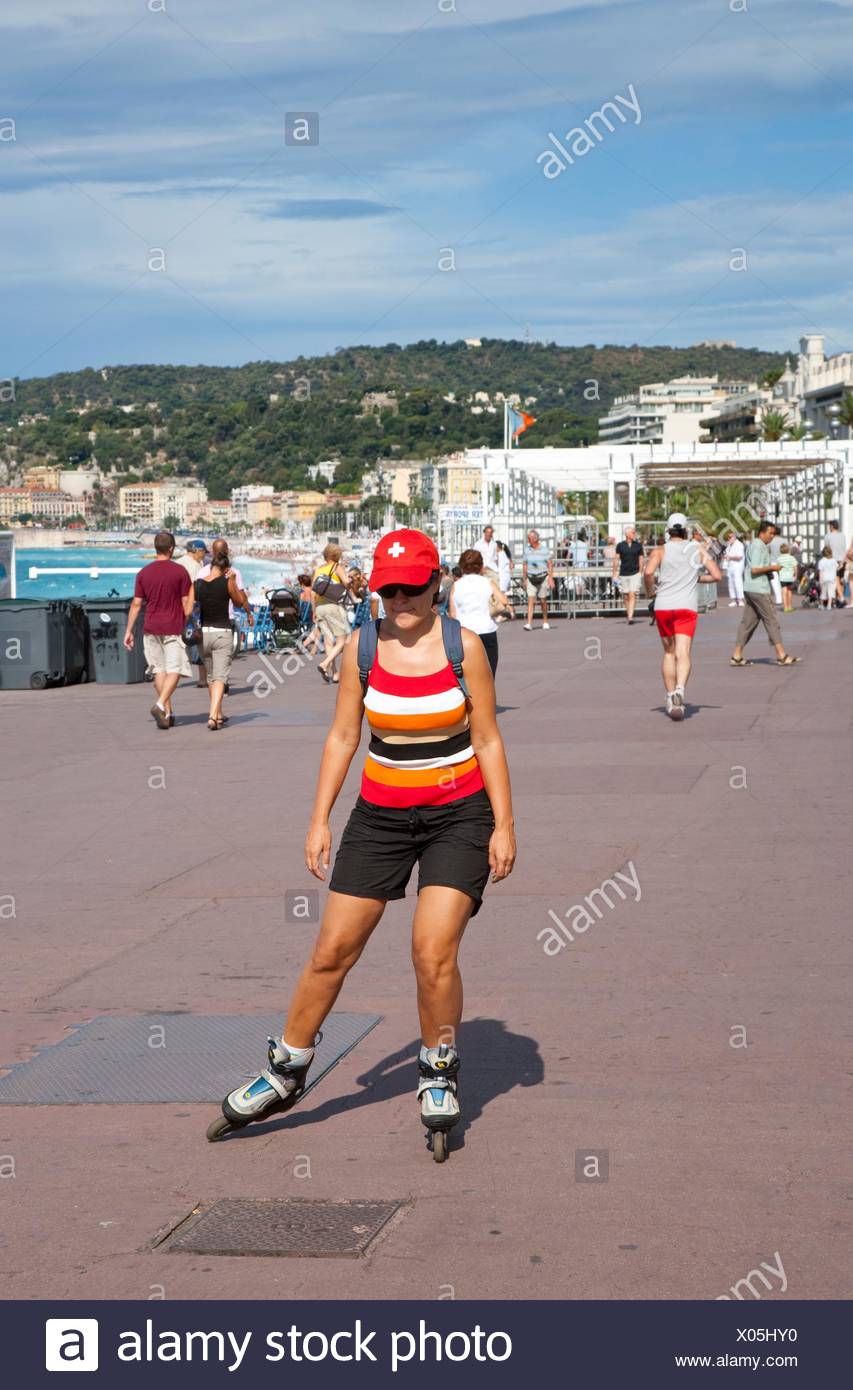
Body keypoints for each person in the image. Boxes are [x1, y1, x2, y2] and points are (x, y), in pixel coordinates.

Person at [210, 528, 516, 1158]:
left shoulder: (464, 649)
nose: (399, 599)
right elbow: (343, 736)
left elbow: (487, 738)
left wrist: (505, 825)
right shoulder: (362, 646)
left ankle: (436, 1067)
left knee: (431, 950)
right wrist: (319, 818)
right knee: (332, 949)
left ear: (437, 585)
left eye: (411, 588)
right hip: (378, 816)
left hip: (459, 815)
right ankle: (287, 1068)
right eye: (387, 589)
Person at [643, 513, 721, 720]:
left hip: (664, 606)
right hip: (686, 607)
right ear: (686, 530)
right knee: (683, 652)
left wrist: (650, 591)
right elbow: (717, 575)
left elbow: (648, 572)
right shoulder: (697, 549)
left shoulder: (660, 550)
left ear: (668, 531)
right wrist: (695, 579)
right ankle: (680, 690)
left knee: (669, 653)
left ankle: (670, 698)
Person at [123, 530, 195, 728]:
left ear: (156, 548)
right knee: (176, 669)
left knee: (159, 671)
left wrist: (128, 631)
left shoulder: (143, 574)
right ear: (171, 549)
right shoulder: (180, 572)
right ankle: (160, 704)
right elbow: (186, 607)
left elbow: (137, 604)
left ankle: (168, 713)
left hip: (151, 627)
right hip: (173, 626)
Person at [195, 547, 254, 729]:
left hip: (203, 633)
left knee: (212, 677)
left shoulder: (197, 583)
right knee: (220, 677)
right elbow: (237, 602)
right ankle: (213, 716)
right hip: (222, 632)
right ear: (226, 568)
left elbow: (190, 607)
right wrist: (233, 582)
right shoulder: (227, 582)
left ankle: (218, 713)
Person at [730, 520, 802, 668]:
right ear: (762, 532)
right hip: (759, 589)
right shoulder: (758, 546)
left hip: (750, 588)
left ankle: (736, 655)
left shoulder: (756, 545)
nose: (772, 537)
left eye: (774, 534)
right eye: (770, 533)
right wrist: (772, 567)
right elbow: (755, 569)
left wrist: (768, 571)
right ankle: (782, 655)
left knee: (748, 623)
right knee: (771, 620)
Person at [449, 548, 506, 676]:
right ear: (481, 566)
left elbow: (453, 615)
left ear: (462, 566)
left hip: (464, 633)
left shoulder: (456, 586)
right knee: (489, 676)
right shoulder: (487, 582)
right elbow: (503, 601)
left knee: (467, 676)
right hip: (487, 630)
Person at [313, 543, 352, 685]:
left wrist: (314, 611)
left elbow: (314, 592)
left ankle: (335, 673)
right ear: (337, 555)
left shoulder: (318, 570)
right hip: (333, 607)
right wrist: (350, 580)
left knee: (329, 642)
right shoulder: (337, 567)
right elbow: (346, 582)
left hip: (320, 607)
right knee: (343, 640)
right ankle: (325, 664)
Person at [177, 540, 209, 686]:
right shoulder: (196, 566)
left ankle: (171, 676)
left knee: (178, 643)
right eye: (203, 552)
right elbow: (199, 589)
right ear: (197, 550)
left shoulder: (177, 563)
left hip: (177, 608)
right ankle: (203, 679)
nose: (204, 556)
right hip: (193, 608)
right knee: (198, 642)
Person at [522, 528, 553, 630]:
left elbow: (550, 564)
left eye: (529, 538)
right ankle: (529, 623)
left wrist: (550, 578)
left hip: (542, 577)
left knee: (543, 600)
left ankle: (545, 621)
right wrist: (524, 579)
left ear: (535, 539)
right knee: (531, 600)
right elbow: (525, 565)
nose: (528, 540)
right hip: (531, 577)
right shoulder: (527, 550)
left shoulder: (544, 549)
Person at [612, 525, 644, 625]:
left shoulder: (638, 545)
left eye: (634, 532)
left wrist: (640, 571)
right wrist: (614, 573)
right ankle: (629, 613)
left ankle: (630, 617)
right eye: (632, 533)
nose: (634, 534)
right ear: (627, 534)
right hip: (624, 573)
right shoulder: (620, 545)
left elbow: (641, 558)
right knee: (625, 595)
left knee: (632, 593)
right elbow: (616, 559)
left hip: (635, 573)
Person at [822, 519, 848, 604]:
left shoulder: (828, 536)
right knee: (841, 580)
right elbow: (844, 548)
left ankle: (841, 598)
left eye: (829, 526)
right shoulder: (842, 535)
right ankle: (838, 599)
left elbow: (826, 549)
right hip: (843, 560)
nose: (829, 528)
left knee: (835, 579)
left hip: (833, 560)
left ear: (832, 527)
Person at [723, 530, 746, 607]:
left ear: (734, 536)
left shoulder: (739, 545)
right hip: (730, 566)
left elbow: (739, 557)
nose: (729, 539)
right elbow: (726, 555)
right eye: (728, 537)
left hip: (737, 566)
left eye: (730, 537)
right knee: (731, 583)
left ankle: (740, 599)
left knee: (737, 582)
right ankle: (733, 599)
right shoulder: (729, 545)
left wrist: (730, 557)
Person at [777, 544, 797, 613]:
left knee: (784, 591)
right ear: (788, 550)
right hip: (790, 577)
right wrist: (795, 575)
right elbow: (795, 567)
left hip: (782, 577)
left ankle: (785, 607)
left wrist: (778, 573)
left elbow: (777, 567)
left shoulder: (779, 558)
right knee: (789, 591)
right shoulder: (791, 558)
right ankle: (789, 606)